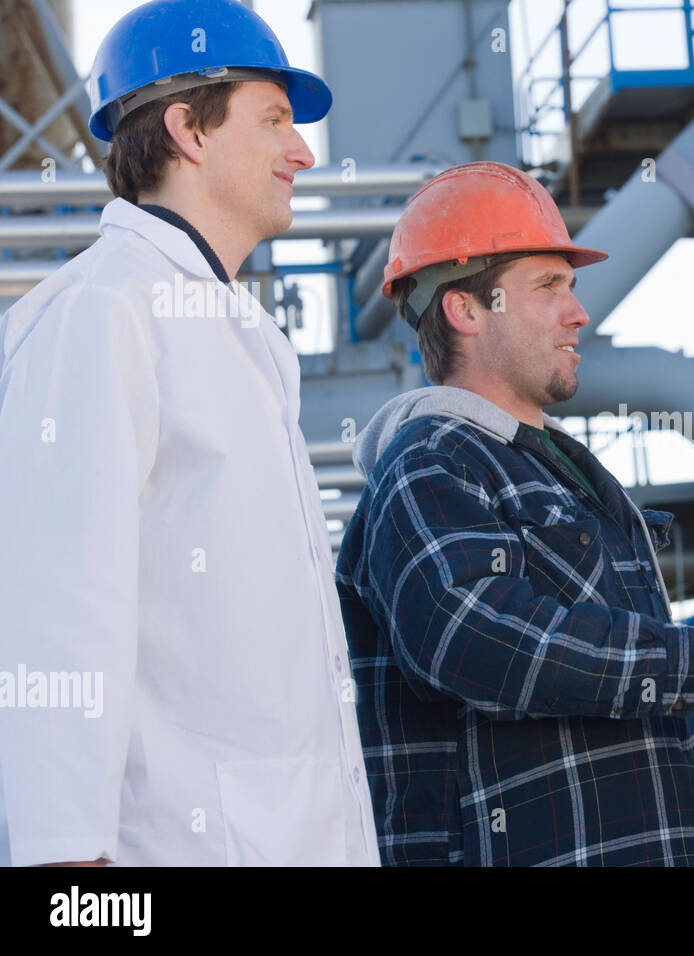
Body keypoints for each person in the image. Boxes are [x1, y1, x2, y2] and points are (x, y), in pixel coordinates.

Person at [0, 0, 378, 866]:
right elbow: (59, 605)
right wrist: (69, 866)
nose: (303, 152)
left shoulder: (242, 338)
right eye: (275, 119)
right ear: (188, 131)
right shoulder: (100, 310)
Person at [336, 160, 694, 866]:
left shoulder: (562, 473)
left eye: (571, 288)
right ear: (466, 309)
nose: (579, 312)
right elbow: (468, 632)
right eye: (548, 287)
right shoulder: (429, 462)